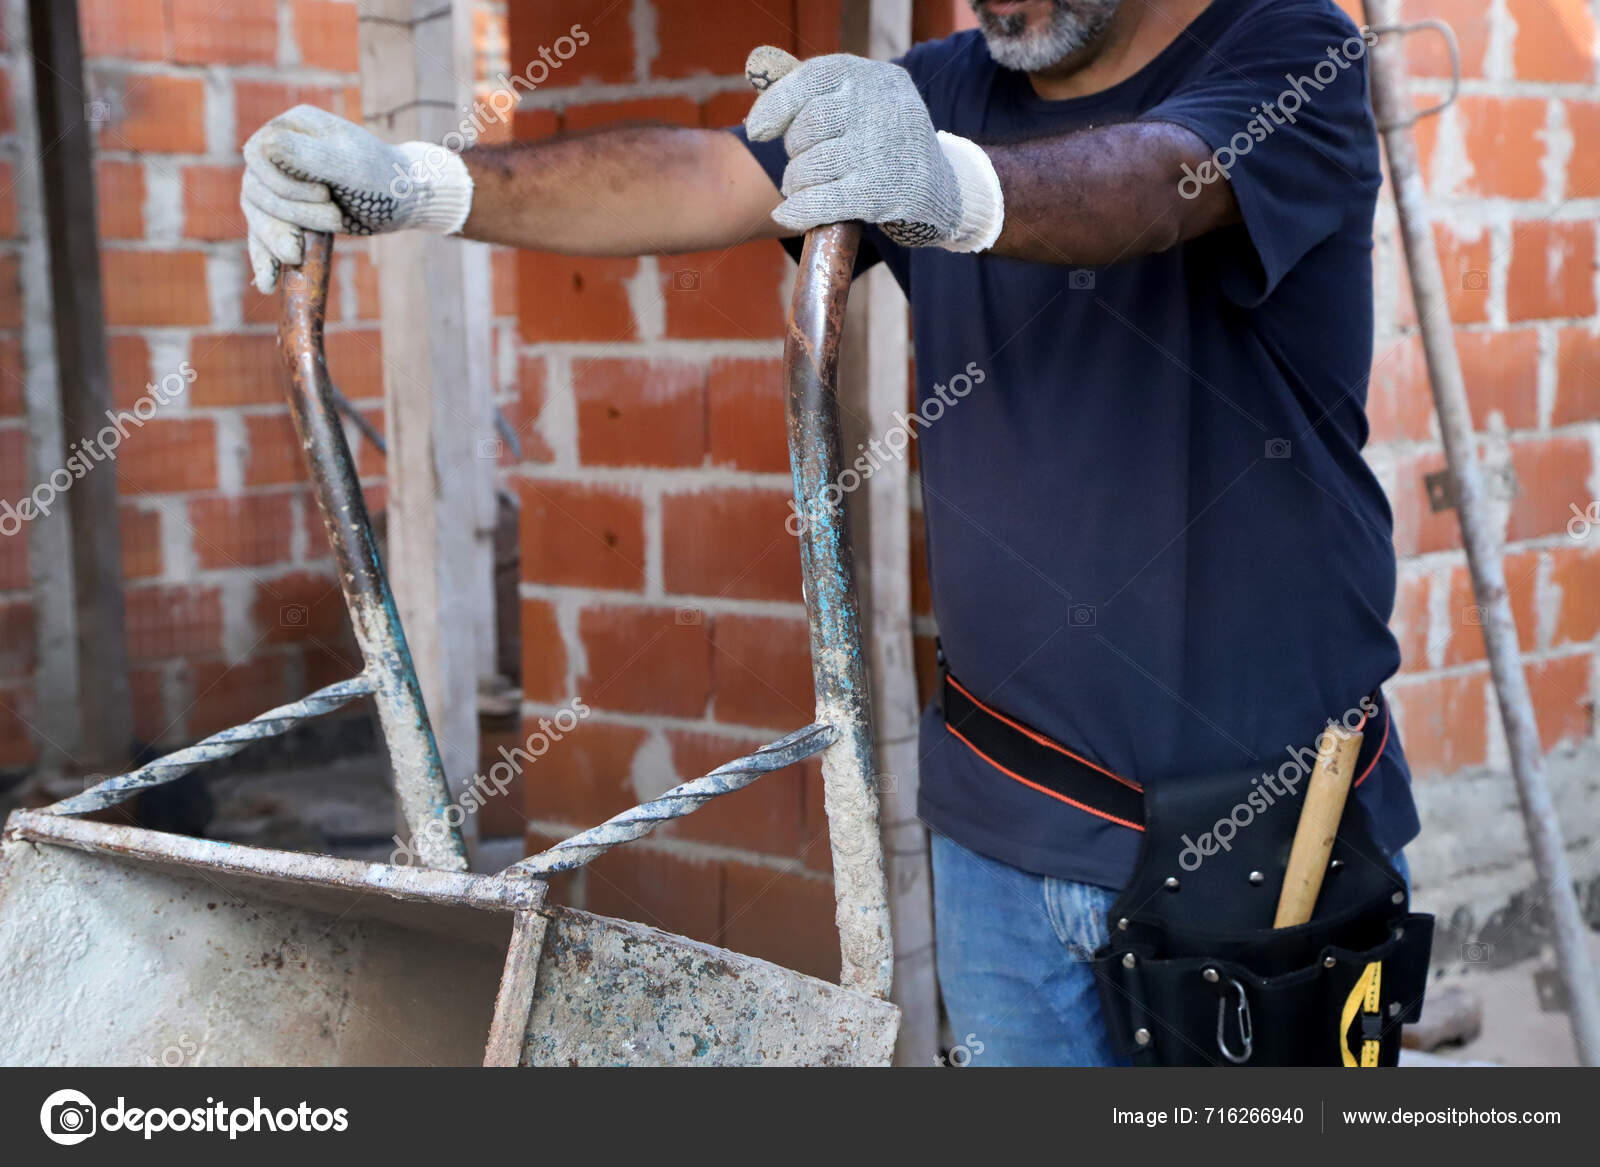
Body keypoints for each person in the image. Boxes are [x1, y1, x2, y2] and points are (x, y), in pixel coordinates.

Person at [241, 0, 1418, 1065]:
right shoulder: (948, 84)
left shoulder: (1289, 49)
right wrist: (420, 183)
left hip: (1268, 825)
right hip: (1002, 820)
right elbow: (707, 176)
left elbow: (1160, 182)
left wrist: (948, 190)